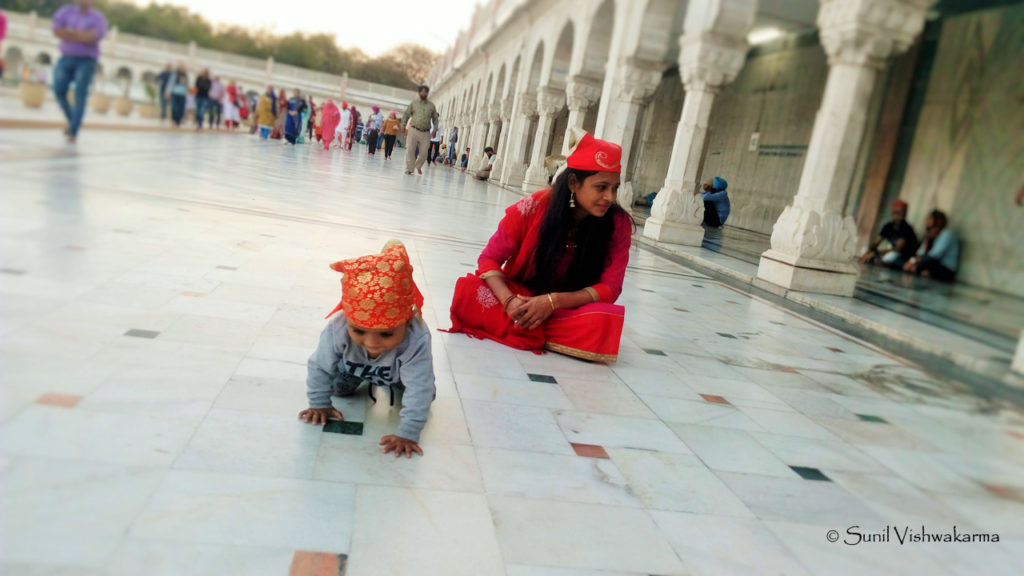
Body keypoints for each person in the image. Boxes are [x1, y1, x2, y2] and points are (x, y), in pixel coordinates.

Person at [447, 132, 633, 362]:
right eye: (601, 187)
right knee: (468, 290)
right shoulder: (533, 207)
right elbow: (489, 259)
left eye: (615, 188)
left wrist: (553, 302)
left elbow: (610, 288)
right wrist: (509, 302)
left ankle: (526, 326)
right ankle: (538, 327)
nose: (610, 197)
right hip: (521, 296)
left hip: (571, 304)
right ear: (573, 183)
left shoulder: (618, 224)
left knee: (604, 318)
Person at [301, 241, 435, 458]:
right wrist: (318, 404)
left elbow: (420, 387)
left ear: (407, 321)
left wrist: (408, 433)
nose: (372, 343)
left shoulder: (416, 337)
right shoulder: (338, 326)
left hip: (399, 376)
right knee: (337, 390)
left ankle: (391, 385)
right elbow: (319, 366)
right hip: (351, 370)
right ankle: (362, 379)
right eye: (358, 331)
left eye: (386, 334)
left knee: (423, 395)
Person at [51, 0, 108, 144]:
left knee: (80, 95)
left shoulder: (98, 18)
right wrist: (82, 35)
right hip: (66, 57)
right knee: (58, 90)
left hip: (86, 61)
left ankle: (73, 131)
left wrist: (70, 31)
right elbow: (56, 30)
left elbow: (93, 37)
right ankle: (73, 122)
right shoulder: (66, 11)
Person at [860, 199, 918, 269]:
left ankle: (884, 263)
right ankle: (879, 261)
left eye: (900, 213)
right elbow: (875, 243)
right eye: (895, 212)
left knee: (891, 255)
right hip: (890, 253)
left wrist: (875, 253)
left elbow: (897, 249)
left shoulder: (907, 229)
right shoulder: (888, 226)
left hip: (903, 257)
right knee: (864, 249)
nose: (898, 215)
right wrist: (867, 253)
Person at [904, 209, 959, 283]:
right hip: (932, 265)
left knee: (921, 268)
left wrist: (915, 263)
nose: (927, 231)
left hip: (946, 270)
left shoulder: (947, 235)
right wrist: (912, 262)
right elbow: (919, 253)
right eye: (927, 228)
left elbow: (934, 256)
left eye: (929, 228)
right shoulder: (930, 236)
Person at [401, 85, 439, 175]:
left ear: (427, 93)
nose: (423, 93)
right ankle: (409, 168)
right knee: (410, 150)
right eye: (422, 92)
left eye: (425, 92)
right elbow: (406, 114)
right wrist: (403, 125)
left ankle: (418, 166)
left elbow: (435, 118)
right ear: (419, 93)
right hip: (413, 130)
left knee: (424, 153)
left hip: (425, 132)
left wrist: (435, 129)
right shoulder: (414, 104)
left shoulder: (431, 106)